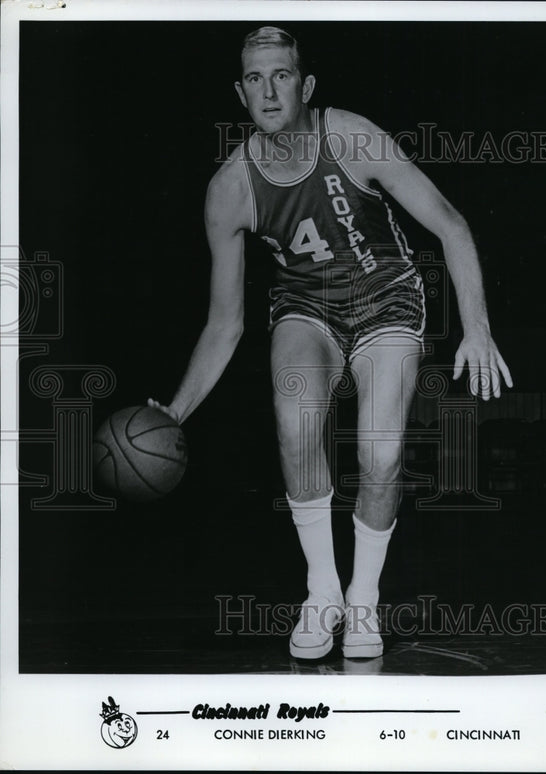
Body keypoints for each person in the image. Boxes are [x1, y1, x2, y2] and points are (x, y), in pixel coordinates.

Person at [149, 26, 512, 660]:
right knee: (294, 418)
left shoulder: (349, 135)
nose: (269, 89)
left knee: (380, 453)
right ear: (240, 93)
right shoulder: (229, 189)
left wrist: (477, 327)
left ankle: (363, 601)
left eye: (281, 74)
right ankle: (323, 594)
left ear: (306, 85)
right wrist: (176, 411)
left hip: (387, 298)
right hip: (305, 307)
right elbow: (224, 322)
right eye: (255, 78)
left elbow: (451, 226)